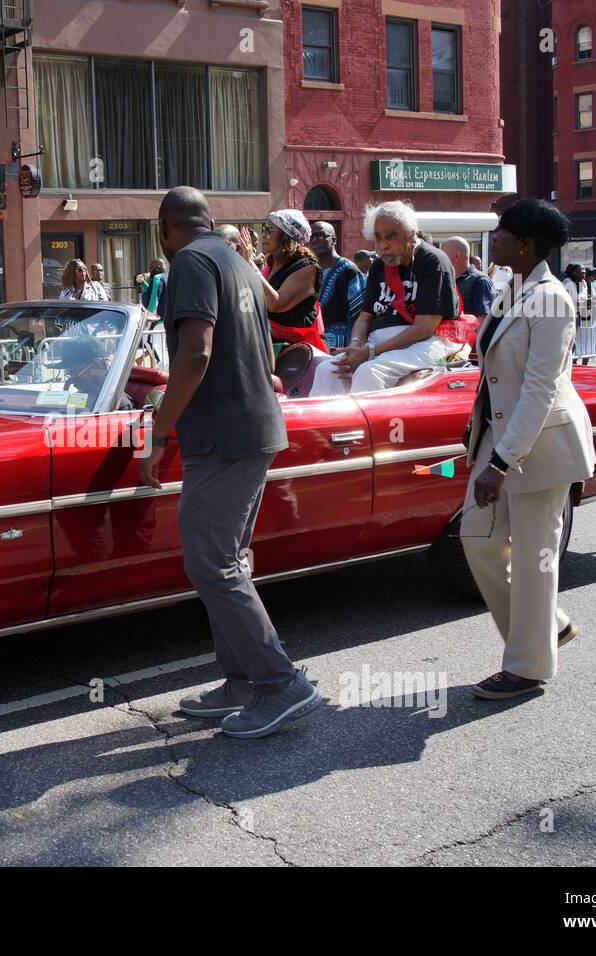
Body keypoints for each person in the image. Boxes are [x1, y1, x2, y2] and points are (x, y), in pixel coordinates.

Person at [137, 186, 319, 739]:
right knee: (228, 561)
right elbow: (264, 354)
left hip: (222, 437)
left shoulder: (190, 261)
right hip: (251, 427)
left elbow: (194, 354)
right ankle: (242, 679)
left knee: (210, 563)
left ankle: (280, 681)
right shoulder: (237, 259)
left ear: (165, 229)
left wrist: (159, 432)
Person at [461, 198, 596, 701]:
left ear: (526, 243)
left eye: (501, 232)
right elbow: (495, 373)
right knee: (478, 539)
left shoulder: (552, 298)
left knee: (538, 557)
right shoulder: (511, 289)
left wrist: (499, 462)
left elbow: (540, 388)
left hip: (541, 443)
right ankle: (549, 625)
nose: (493, 238)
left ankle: (527, 667)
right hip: (499, 434)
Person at [311, 201, 457, 395]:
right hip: (377, 343)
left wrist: (371, 351)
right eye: (378, 238)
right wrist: (355, 347)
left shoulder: (433, 261)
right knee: (327, 370)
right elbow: (364, 318)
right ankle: (329, 425)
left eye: (391, 236)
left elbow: (425, 327)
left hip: (425, 342)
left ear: (410, 234)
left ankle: (361, 425)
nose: (383, 245)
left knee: (368, 372)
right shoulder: (379, 266)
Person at [236, 209, 325, 349]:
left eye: (269, 229)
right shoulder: (270, 266)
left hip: (299, 349)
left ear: (286, 235)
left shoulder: (308, 267)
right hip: (269, 343)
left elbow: (275, 304)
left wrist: (251, 264)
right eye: (264, 229)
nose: (263, 234)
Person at [310, 220, 366, 349]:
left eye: (321, 235)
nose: (314, 240)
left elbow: (360, 314)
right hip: (314, 341)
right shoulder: (310, 270)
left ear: (334, 240)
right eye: (311, 237)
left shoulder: (348, 270)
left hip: (340, 344)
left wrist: (355, 347)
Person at [443, 236, 496, 323]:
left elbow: (484, 321)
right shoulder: (449, 280)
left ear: (456, 256)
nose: (440, 259)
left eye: (443, 255)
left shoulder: (480, 281)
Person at [563, 264, 593, 365]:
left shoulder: (582, 283)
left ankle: (571, 363)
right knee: (568, 342)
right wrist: (583, 303)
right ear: (573, 272)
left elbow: (583, 299)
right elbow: (568, 302)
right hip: (566, 317)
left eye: (584, 269)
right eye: (581, 270)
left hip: (577, 315)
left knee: (574, 341)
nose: (584, 272)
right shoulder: (567, 283)